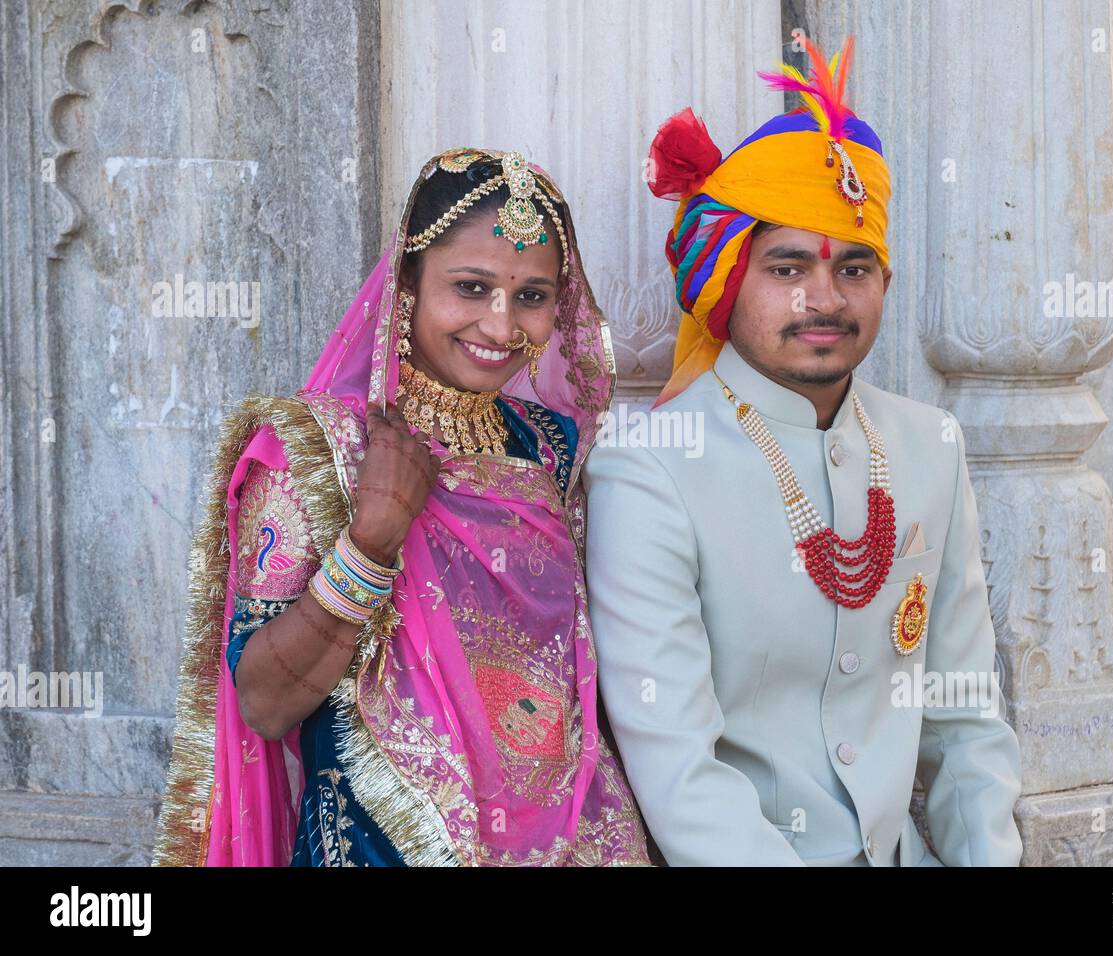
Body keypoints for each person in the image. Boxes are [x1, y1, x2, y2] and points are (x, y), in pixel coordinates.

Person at [582, 38, 1023, 866]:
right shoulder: (648, 473)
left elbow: (964, 718)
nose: (824, 298)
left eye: (855, 268)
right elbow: (681, 773)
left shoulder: (929, 446)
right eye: (787, 267)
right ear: (723, 282)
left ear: (885, 285)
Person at [153, 147, 651, 866]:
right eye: (471, 288)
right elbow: (263, 703)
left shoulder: (548, 445)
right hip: (382, 843)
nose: (501, 322)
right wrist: (371, 542)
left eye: (533, 296)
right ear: (408, 283)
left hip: (567, 840)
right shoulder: (315, 452)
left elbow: (571, 666)